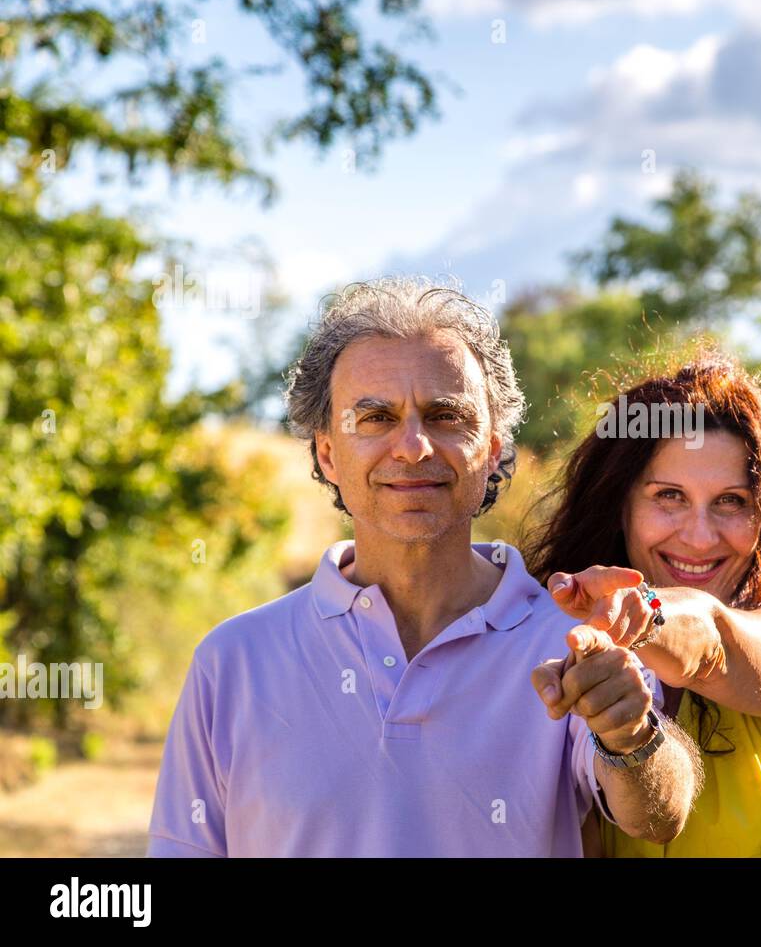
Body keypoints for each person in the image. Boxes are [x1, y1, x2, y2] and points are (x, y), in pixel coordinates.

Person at [146, 277, 700, 857]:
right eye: (376, 418)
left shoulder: (573, 639)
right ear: (328, 452)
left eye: (444, 415)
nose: (412, 447)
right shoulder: (232, 661)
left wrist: (631, 734)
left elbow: (659, 815)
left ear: (491, 448)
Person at [525, 349, 761, 857]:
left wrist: (643, 612)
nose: (699, 537)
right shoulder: (552, 651)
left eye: (731, 501)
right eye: (669, 496)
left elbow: (711, 635)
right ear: (619, 507)